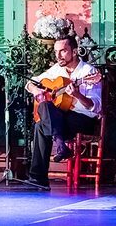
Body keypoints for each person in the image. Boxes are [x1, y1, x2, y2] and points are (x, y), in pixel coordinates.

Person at [23, 35, 101, 190]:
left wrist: (77, 95)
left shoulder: (88, 72)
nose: (58, 56)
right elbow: (29, 83)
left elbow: (96, 107)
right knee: (43, 111)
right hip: (60, 120)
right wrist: (36, 90)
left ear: (75, 51)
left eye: (63, 51)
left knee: (41, 125)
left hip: (83, 120)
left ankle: (38, 176)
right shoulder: (56, 70)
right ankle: (58, 149)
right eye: (56, 51)